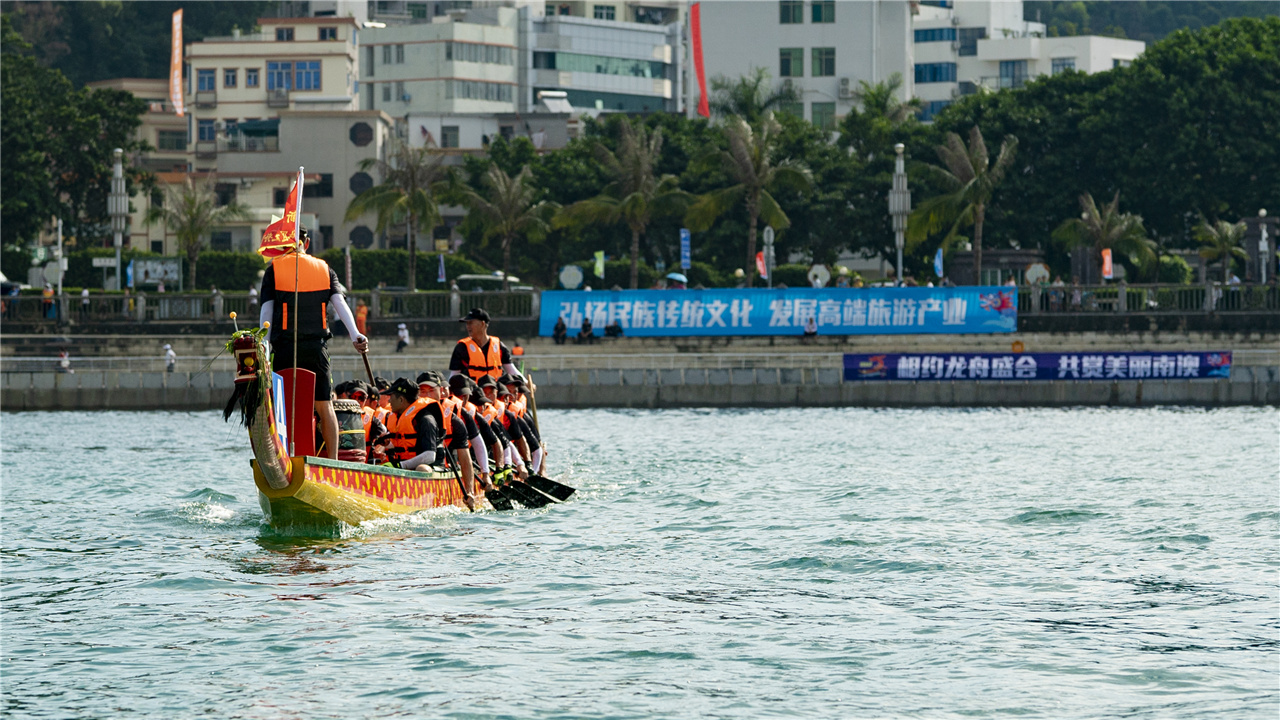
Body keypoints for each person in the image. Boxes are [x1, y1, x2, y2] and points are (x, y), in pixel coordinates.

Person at [258, 227, 369, 461]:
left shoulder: (273, 271)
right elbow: (340, 305)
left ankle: (284, 458)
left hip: (285, 348)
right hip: (316, 348)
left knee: (283, 406)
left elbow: (266, 311)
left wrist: (263, 345)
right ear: (305, 243)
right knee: (324, 405)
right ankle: (334, 461)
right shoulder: (325, 269)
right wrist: (356, 336)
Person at [381, 377, 476, 507]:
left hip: (432, 467)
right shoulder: (397, 417)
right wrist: (384, 445)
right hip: (407, 465)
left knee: (422, 469)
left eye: (391, 396)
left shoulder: (426, 419)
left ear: (401, 400)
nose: (389, 400)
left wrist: (400, 466)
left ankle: (416, 504)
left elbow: (429, 456)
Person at [450, 307, 528, 383]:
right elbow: (454, 375)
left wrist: (526, 382)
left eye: (470, 323)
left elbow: (511, 370)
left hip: (494, 392)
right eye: (467, 323)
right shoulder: (462, 347)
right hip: (473, 393)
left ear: (482, 324)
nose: (468, 326)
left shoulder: (499, 346)